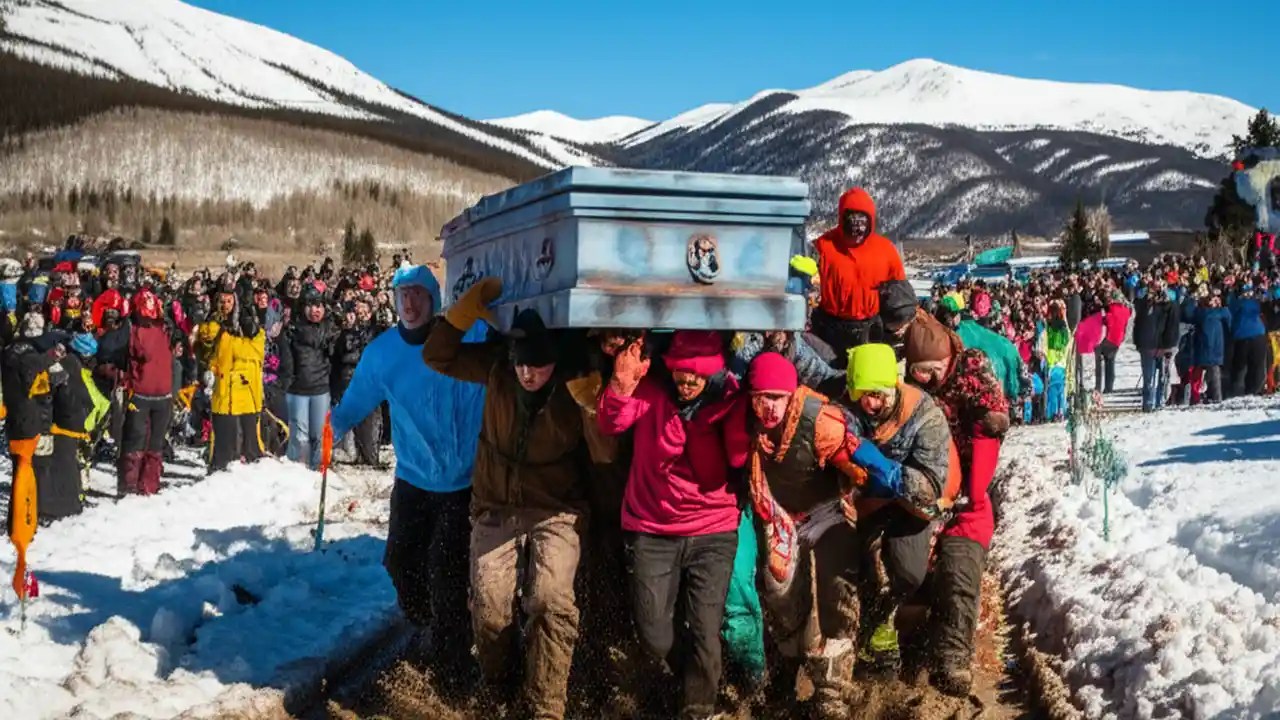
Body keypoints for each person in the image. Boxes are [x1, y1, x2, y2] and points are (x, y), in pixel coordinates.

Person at [423, 278, 588, 720]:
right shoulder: (498, 367)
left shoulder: (577, 382)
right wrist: (461, 314)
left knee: (550, 600)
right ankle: (499, 687)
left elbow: (608, 454)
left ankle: (545, 705)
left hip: (556, 510)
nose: (527, 373)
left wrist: (598, 406)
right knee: (491, 607)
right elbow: (436, 355)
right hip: (496, 506)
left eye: (536, 365)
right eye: (520, 363)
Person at [328, 265, 486, 695]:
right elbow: (359, 396)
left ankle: (454, 671)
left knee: (446, 573)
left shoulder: (467, 339)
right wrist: (334, 426)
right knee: (400, 562)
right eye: (403, 296)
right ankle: (429, 624)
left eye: (419, 295)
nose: (411, 304)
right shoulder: (382, 353)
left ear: (434, 300)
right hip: (414, 479)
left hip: (464, 482)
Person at [597, 330, 749, 720]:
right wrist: (620, 384)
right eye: (680, 375)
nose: (687, 384)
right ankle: (685, 684)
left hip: (713, 527)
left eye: (695, 377)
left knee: (704, 627)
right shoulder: (651, 392)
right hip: (652, 526)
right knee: (654, 632)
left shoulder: (731, 397)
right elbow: (611, 423)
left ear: (711, 373)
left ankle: (699, 708)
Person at [742, 352, 871, 720]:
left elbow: (855, 464)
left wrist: (855, 475)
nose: (768, 408)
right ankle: (786, 671)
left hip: (827, 509)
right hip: (779, 514)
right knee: (779, 589)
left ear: (791, 394)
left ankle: (833, 685)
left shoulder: (820, 419)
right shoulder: (746, 424)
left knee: (837, 583)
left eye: (776, 398)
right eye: (760, 398)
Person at [900, 314, 1008, 696]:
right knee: (910, 573)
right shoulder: (908, 393)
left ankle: (953, 658)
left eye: (934, 370)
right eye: (919, 371)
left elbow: (991, 414)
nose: (927, 378)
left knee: (960, 573)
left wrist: (975, 477)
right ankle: (907, 655)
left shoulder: (972, 372)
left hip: (965, 498)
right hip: (922, 493)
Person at [839, 343, 958, 677]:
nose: (870, 405)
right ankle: (869, 644)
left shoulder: (925, 416)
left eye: (878, 395)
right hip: (862, 506)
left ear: (894, 385)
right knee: (854, 566)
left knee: (907, 573)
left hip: (909, 508)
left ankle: (885, 626)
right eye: (863, 396)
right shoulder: (847, 410)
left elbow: (929, 487)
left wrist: (881, 468)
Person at [810, 188, 907, 361]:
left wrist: (902, 320)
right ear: (842, 219)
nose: (856, 235)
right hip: (830, 329)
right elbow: (805, 280)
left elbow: (900, 294)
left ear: (870, 223)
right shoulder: (823, 246)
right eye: (851, 226)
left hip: (872, 331)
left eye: (862, 227)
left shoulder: (886, 250)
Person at [116, 288, 174, 495]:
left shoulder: (166, 329)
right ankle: (129, 486)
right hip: (140, 393)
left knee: (156, 443)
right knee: (135, 440)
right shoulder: (131, 330)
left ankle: (149, 485)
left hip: (163, 393)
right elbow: (139, 353)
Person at [205, 290, 266, 472]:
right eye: (221, 301)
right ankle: (218, 473)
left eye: (229, 301)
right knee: (223, 444)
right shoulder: (219, 331)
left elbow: (250, 353)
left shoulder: (256, 336)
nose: (225, 305)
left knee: (250, 443)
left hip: (248, 397)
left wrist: (230, 340)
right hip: (224, 396)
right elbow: (210, 353)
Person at [279, 287, 335, 469]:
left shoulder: (330, 329)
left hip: (322, 387)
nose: (315, 310)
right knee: (299, 435)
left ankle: (320, 469)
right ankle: (299, 470)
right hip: (298, 389)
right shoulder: (292, 330)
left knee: (320, 433)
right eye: (310, 306)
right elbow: (287, 362)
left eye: (318, 306)